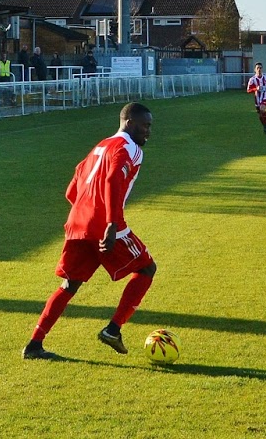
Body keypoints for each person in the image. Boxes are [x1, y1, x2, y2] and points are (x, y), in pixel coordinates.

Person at [25, 102, 157, 360]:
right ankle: (113, 329)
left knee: (68, 285)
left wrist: (85, 213)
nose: (148, 132)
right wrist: (109, 223)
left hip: (78, 223)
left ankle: (33, 345)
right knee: (146, 268)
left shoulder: (100, 146)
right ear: (129, 122)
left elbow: (71, 190)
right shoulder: (128, 148)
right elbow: (112, 179)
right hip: (106, 225)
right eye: (145, 125)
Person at [245, 62, 266, 135]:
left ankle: (265, 125)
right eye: (258, 68)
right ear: (255, 69)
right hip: (257, 98)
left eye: (260, 68)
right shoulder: (252, 79)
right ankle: (265, 125)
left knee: (262, 108)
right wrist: (256, 89)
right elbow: (248, 90)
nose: (259, 69)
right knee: (260, 114)